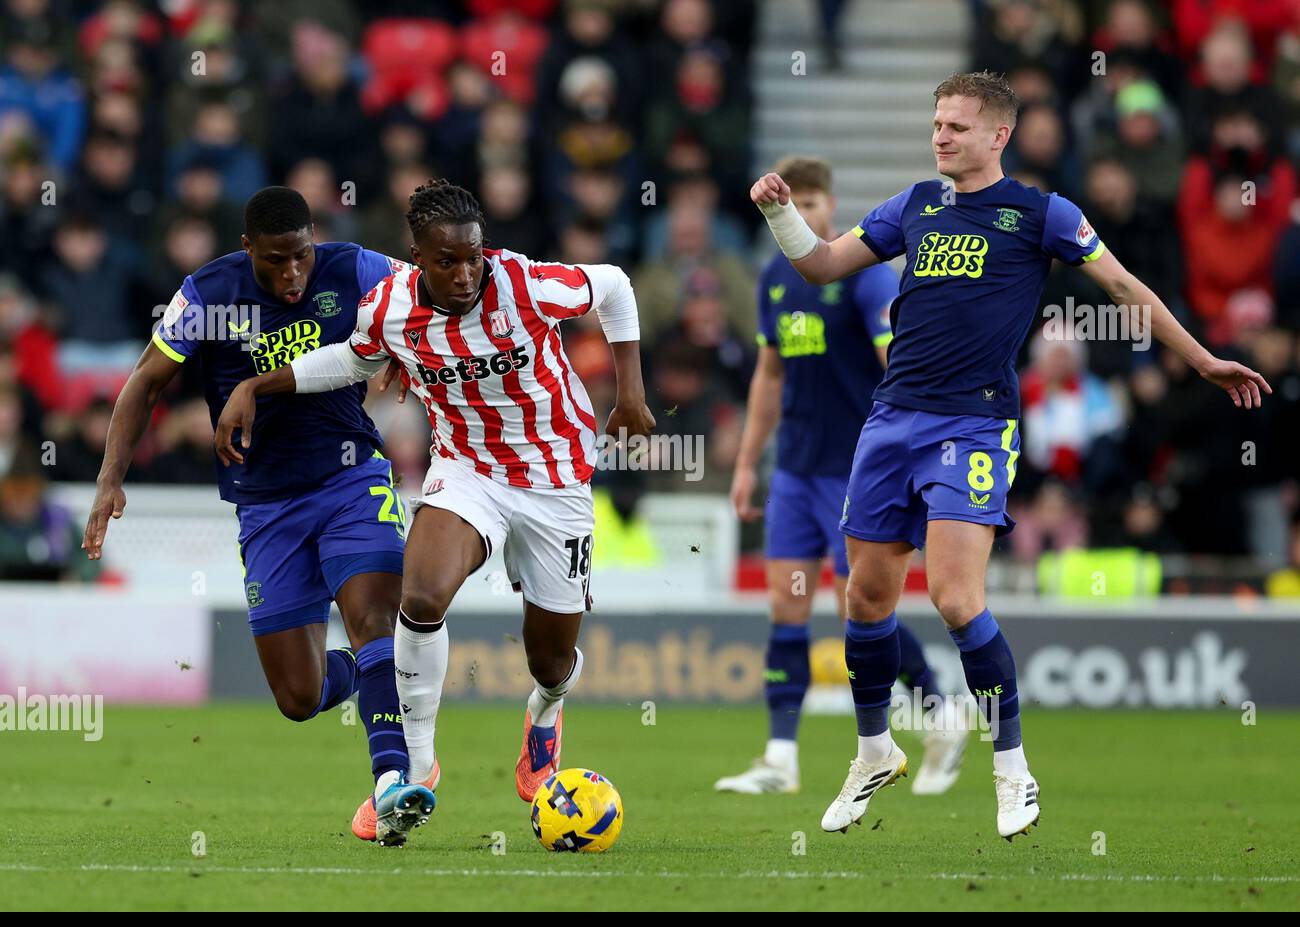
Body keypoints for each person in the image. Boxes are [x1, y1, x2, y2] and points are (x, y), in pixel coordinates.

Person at [750, 71, 1270, 840]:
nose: (940, 136)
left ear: (998, 135)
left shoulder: (1041, 213)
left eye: (956, 126)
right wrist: (783, 218)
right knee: (864, 598)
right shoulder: (914, 205)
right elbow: (823, 265)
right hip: (890, 419)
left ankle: (1012, 764)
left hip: (973, 424)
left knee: (957, 599)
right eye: (936, 123)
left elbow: (1125, 285)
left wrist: (1203, 359)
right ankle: (872, 751)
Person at [214, 178, 655, 808]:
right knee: (418, 598)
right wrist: (258, 386)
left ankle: (547, 711)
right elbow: (351, 359)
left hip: (556, 476)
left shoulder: (524, 284)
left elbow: (613, 284)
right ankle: (417, 767)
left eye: (474, 256)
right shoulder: (390, 307)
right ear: (417, 256)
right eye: (447, 261)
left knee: (549, 661)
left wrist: (630, 390)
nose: (466, 273)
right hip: (467, 469)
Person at [82, 186, 434, 847]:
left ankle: (393, 780)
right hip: (266, 505)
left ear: (314, 241)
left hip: (351, 475)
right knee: (300, 696)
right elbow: (144, 381)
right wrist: (109, 480)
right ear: (248, 250)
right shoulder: (209, 294)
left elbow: (428, 298)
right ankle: (374, 670)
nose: (293, 273)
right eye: (276, 261)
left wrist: (410, 355)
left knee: (372, 615)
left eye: (301, 255)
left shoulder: (354, 268)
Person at [717, 155, 965, 797]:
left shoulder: (864, 281)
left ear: (830, 207)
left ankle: (940, 712)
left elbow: (896, 360)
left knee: (857, 605)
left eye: (813, 202)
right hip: (796, 473)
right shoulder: (774, 277)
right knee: (785, 608)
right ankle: (779, 758)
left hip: (855, 469)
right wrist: (747, 462)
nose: (801, 212)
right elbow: (769, 375)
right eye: (790, 201)